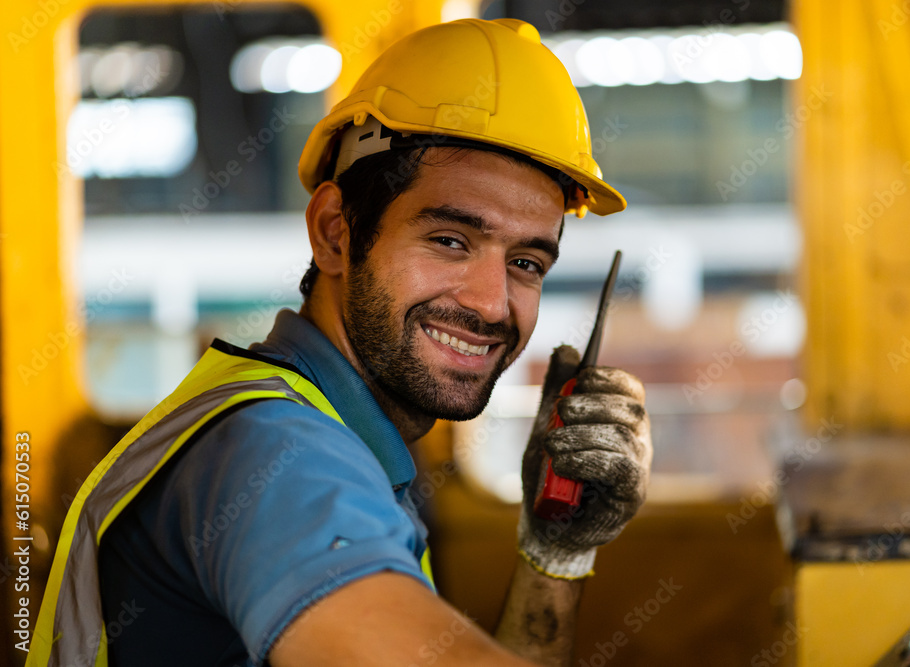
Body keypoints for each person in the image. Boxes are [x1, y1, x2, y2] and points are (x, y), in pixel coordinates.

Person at [28, 17, 652, 667]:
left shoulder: (316, 432)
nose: (492, 303)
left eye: (526, 262)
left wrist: (556, 553)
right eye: (449, 241)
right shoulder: (278, 456)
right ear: (334, 232)